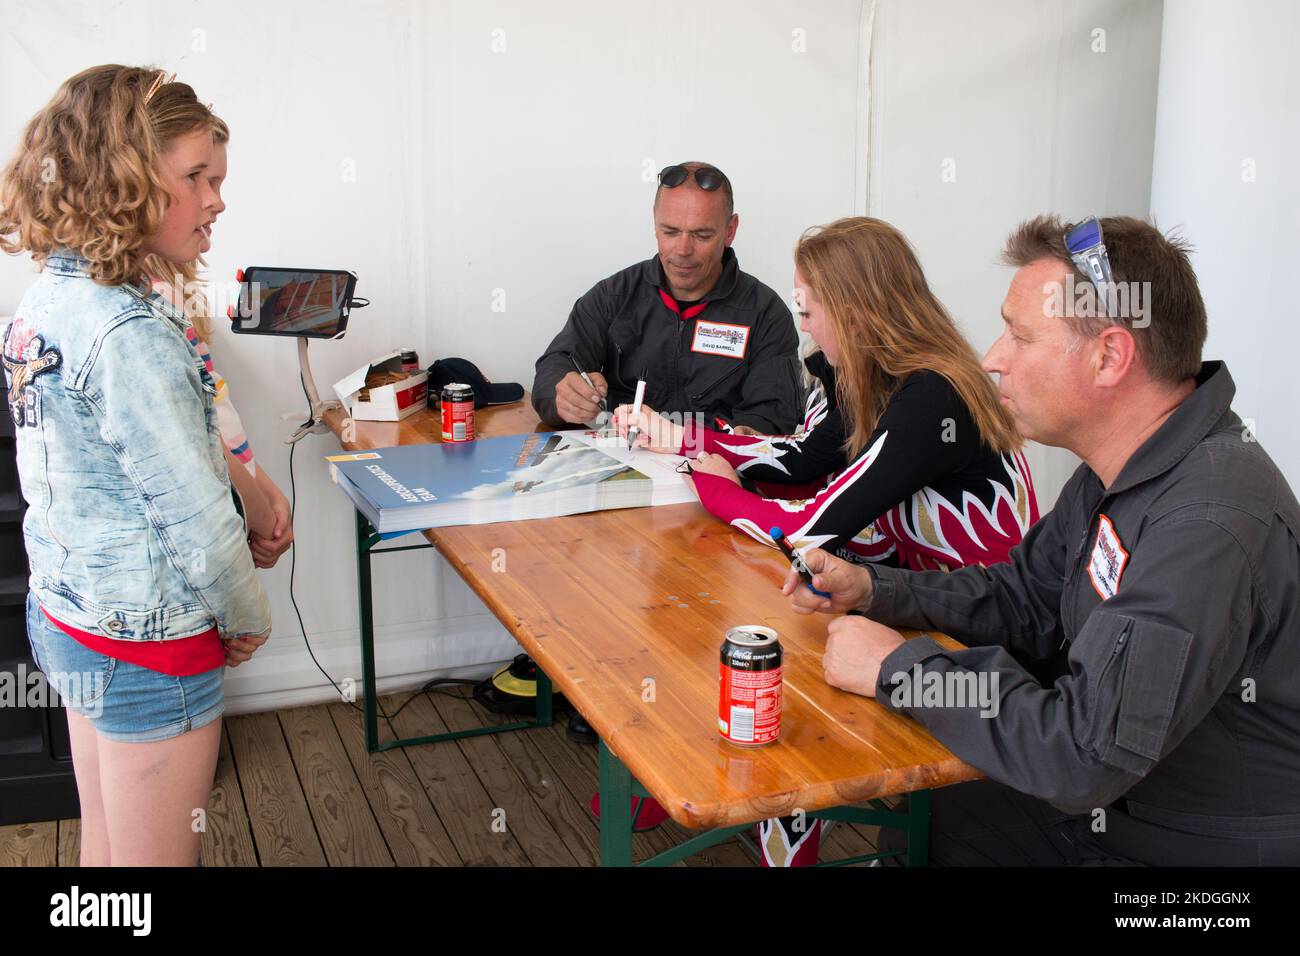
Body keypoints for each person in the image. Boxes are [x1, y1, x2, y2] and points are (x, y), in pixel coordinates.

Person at [784, 215, 1300, 866]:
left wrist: (900, 670)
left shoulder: (1207, 524)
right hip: (1117, 805)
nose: (993, 358)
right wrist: (874, 587)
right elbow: (1024, 597)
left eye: (1019, 336)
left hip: (1197, 850)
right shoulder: (1121, 469)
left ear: (1109, 356)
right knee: (925, 827)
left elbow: (1085, 751)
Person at [616, 217, 1040, 866]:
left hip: (978, 642)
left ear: (854, 312)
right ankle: (693, 791)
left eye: (809, 311)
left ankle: (779, 836)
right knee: (756, 626)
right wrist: (687, 442)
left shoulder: (934, 396)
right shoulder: (879, 376)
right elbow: (794, 461)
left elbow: (807, 526)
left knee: (772, 662)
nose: (804, 327)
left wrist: (708, 482)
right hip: (919, 607)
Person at [0, 66, 272, 866]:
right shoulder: (127, 331)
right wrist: (248, 614)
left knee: (108, 847)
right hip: (149, 645)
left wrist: (245, 484)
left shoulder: (44, 304)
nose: (216, 201)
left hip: (70, 619)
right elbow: (198, 526)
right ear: (119, 175)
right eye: (197, 178)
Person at [531, 161, 803, 435]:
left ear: (730, 230)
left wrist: (689, 442)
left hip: (712, 467)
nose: (683, 249)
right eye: (670, 232)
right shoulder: (613, 296)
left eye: (702, 234)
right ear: (654, 221)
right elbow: (555, 366)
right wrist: (563, 395)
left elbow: (772, 420)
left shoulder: (765, 314)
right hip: (622, 463)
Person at [146, 116, 294, 569]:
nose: (217, 202)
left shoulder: (175, 293)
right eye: (200, 179)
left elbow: (220, 420)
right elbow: (198, 443)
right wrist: (260, 512)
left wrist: (264, 487)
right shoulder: (149, 309)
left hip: (239, 506)